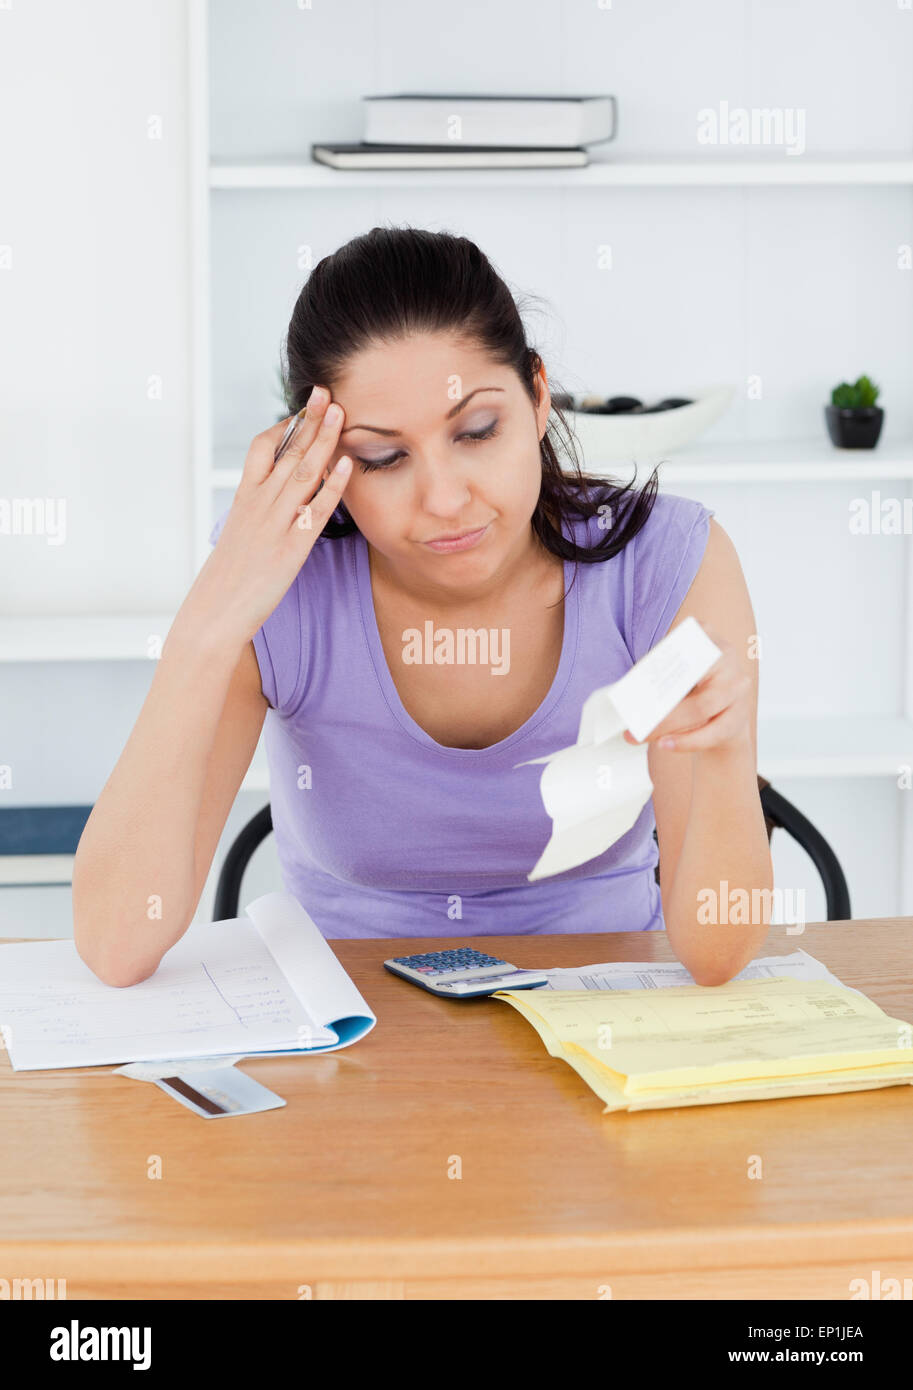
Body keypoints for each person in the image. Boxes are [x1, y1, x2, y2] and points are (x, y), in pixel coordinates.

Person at [73, 227, 772, 988]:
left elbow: (716, 953)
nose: (444, 499)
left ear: (537, 398)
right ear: (322, 461)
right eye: (383, 457)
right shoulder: (277, 585)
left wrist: (728, 753)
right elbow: (117, 946)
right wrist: (205, 629)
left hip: (605, 1022)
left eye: (477, 431)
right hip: (357, 1036)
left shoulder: (661, 561)